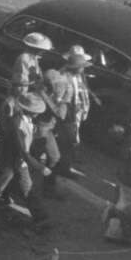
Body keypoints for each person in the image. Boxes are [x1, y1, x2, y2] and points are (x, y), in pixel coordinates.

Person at [0, 93, 51, 229]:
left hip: (18, 161)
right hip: (9, 161)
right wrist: (40, 167)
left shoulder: (24, 121)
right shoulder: (18, 124)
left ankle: (41, 218)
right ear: (31, 112)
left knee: (26, 187)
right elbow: (23, 151)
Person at [45, 46, 93, 180]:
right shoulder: (63, 78)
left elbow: (83, 92)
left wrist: (83, 109)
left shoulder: (78, 76)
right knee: (61, 147)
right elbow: (59, 101)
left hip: (73, 114)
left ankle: (63, 168)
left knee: (68, 146)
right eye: (82, 66)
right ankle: (51, 176)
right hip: (66, 116)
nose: (84, 68)